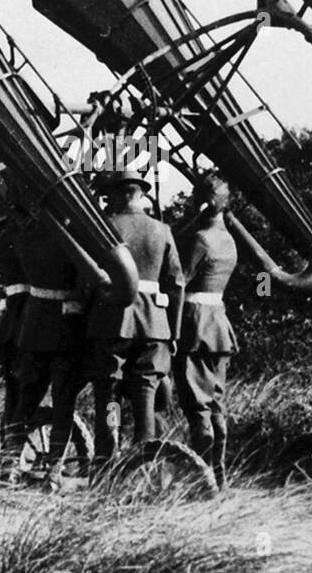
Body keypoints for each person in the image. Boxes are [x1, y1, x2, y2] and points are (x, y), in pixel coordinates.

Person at [45, 168, 183, 484]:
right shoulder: (162, 230)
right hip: (155, 327)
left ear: (122, 194)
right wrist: (172, 331)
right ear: (141, 193)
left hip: (111, 323)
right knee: (145, 396)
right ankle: (146, 470)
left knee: (110, 397)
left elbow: (87, 280)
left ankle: (106, 467)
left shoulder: (105, 228)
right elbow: (177, 282)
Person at [172, 174, 238, 488]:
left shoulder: (199, 239)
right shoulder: (230, 242)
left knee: (195, 401)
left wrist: (172, 330)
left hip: (194, 323)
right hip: (219, 325)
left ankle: (201, 478)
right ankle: (219, 474)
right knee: (216, 401)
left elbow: (180, 281)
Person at [4, 216, 85, 464]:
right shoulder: (76, 236)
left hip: (34, 325)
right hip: (66, 330)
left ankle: (10, 463)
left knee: (25, 400)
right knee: (63, 406)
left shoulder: (22, 235)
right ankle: (54, 470)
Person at [0, 219, 28, 455]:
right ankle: (12, 454)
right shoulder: (25, 236)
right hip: (24, 322)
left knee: (14, 393)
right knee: (19, 392)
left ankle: (11, 452)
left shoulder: (4, 236)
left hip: (8, 322)